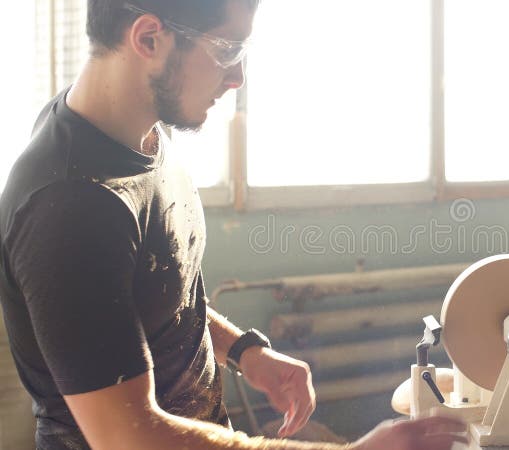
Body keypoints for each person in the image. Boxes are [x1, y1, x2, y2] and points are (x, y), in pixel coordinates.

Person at [0, 1, 466, 449]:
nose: (238, 76)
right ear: (147, 37)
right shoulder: (70, 208)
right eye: (226, 50)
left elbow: (158, 288)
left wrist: (245, 352)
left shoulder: (137, 129)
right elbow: (131, 439)